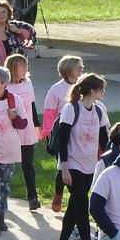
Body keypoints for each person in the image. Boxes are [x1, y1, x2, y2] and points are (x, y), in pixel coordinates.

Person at [53, 72, 108, 240]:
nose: (103, 92)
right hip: (73, 165)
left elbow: (105, 140)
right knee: (83, 205)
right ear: (92, 90)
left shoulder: (99, 110)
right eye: (101, 89)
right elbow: (63, 141)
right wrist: (64, 168)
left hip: (90, 166)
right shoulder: (71, 109)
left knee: (75, 207)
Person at [0, 65, 29, 235]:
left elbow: (23, 124)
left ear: (4, 83)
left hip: (9, 150)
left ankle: (1, 214)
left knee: (5, 186)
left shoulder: (15, 100)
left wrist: (13, 117)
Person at [41, 54, 84, 212]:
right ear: (67, 69)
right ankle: (59, 192)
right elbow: (49, 112)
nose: (81, 69)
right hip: (63, 133)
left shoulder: (83, 86)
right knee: (62, 167)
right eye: (78, 67)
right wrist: (48, 133)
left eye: (82, 67)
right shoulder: (56, 89)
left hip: (80, 133)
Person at [5, 53, 41, 211]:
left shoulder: (28, 82)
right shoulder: (6, 85)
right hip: (11, 129)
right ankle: (3, 196)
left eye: (26, 65)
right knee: (7, 164)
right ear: (13, 67)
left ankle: (32, 196)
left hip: (27, 127)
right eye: (22, 66)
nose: (26, 68)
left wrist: (37, 125)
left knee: (28, 163)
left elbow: (32, 104)